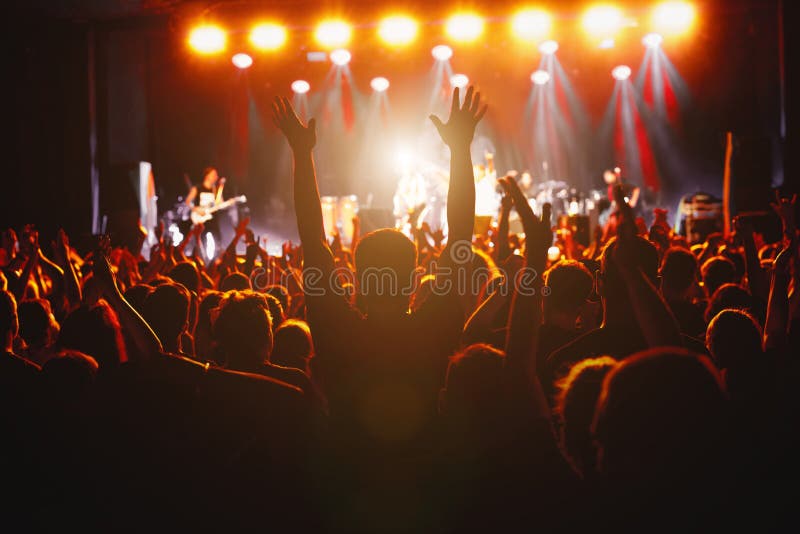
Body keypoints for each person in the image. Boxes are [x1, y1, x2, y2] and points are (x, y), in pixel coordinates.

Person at [184, 167, 226, 253]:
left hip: (212, 219)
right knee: (201, 241)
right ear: (207, 176)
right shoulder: (197, 188)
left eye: (216, 175)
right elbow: (188, 201)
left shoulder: (215, 190)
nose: (216, 177)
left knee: (217, 240)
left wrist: (221, 187)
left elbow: (219, 203)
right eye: (213, 175)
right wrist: (195, 209)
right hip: (200, 220)